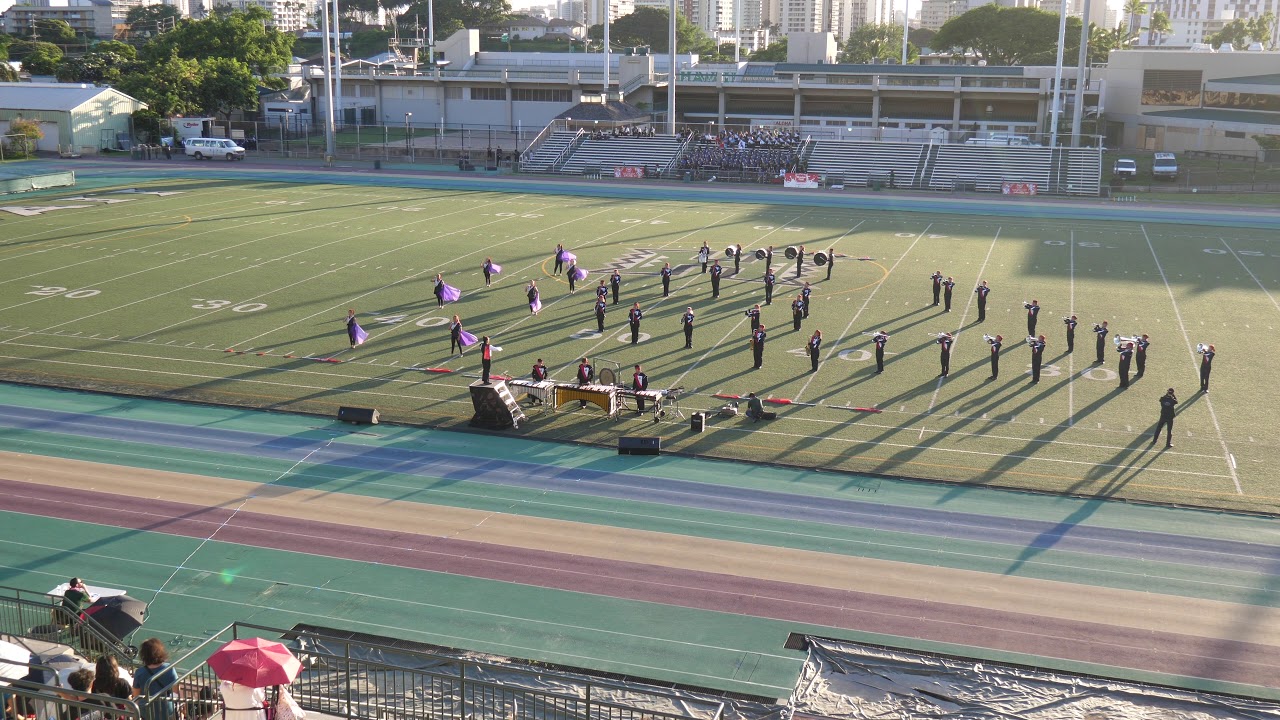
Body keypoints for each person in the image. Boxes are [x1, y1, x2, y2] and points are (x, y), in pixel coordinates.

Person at [132, 638, 177, 720]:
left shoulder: (139, 672)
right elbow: (176, 693)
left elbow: (136, 697)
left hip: (147, 712)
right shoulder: (169, 669)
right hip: (166, 710)